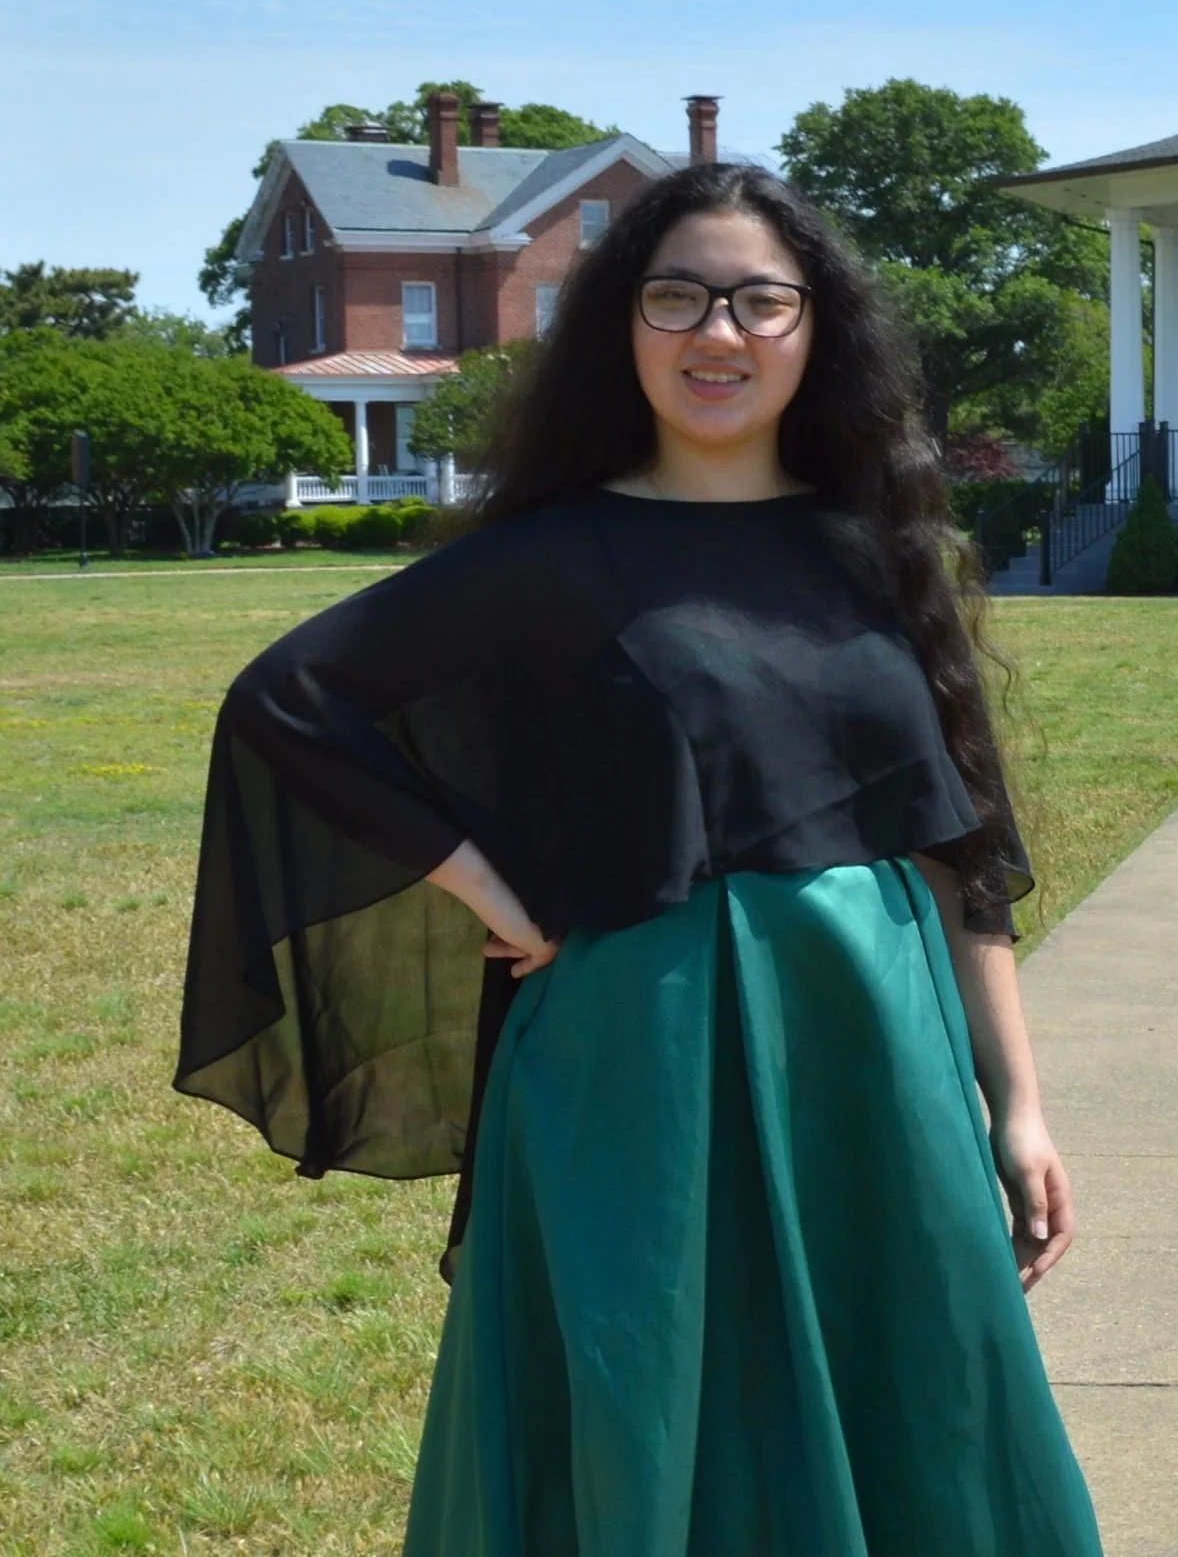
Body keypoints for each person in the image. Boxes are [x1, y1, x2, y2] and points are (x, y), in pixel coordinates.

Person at [176, 162, 1103, 1555]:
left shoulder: (874, 549)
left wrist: (1016, 1102)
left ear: (812, 330)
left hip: (869, 1054)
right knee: (644, 1396)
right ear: (625, 324)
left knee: (921, 1391)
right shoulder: (553, 557)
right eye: (676, 298)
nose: (716, 335)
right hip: (639, 1057)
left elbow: (961, 842)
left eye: (757, 302)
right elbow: (289, 700)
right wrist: (493, 885)